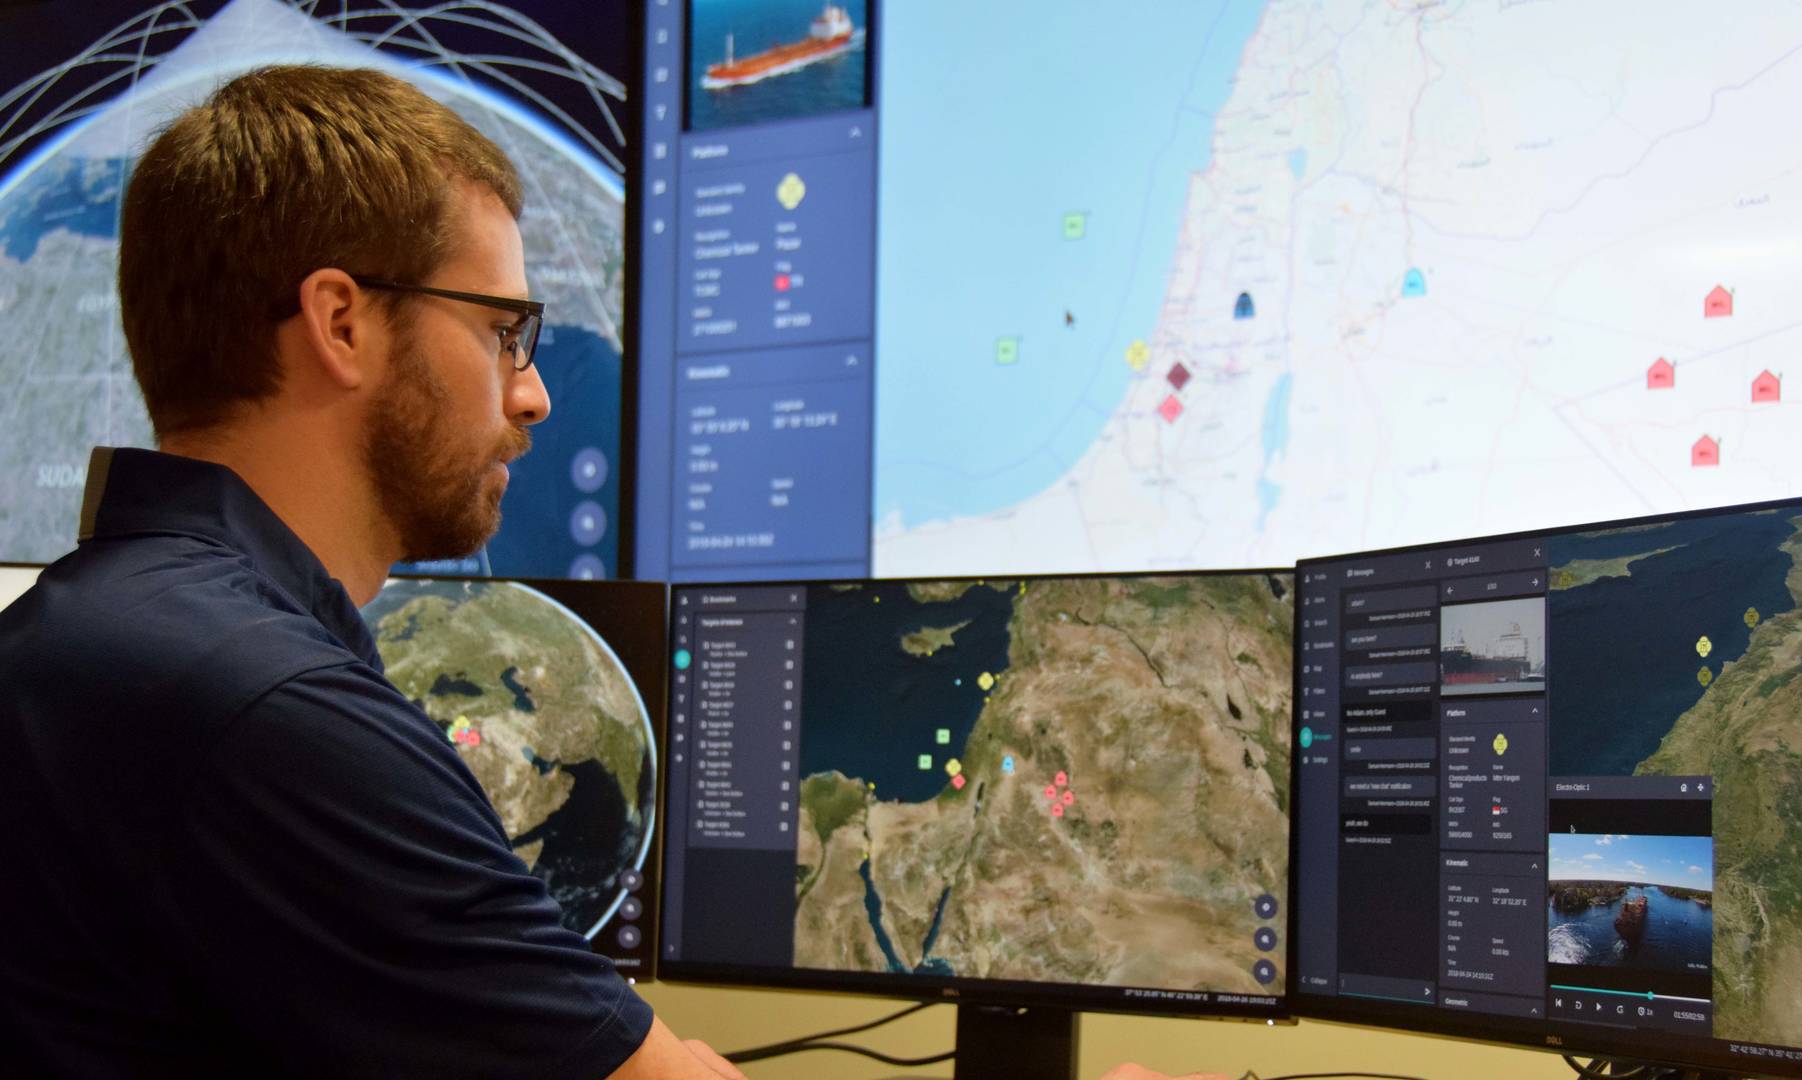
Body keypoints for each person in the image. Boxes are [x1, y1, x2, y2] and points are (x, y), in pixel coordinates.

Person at [0, 65, 1226, 1080]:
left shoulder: (73, 641)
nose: (532, 392)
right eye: (502, 331)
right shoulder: (267, 712)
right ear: (342, 323)